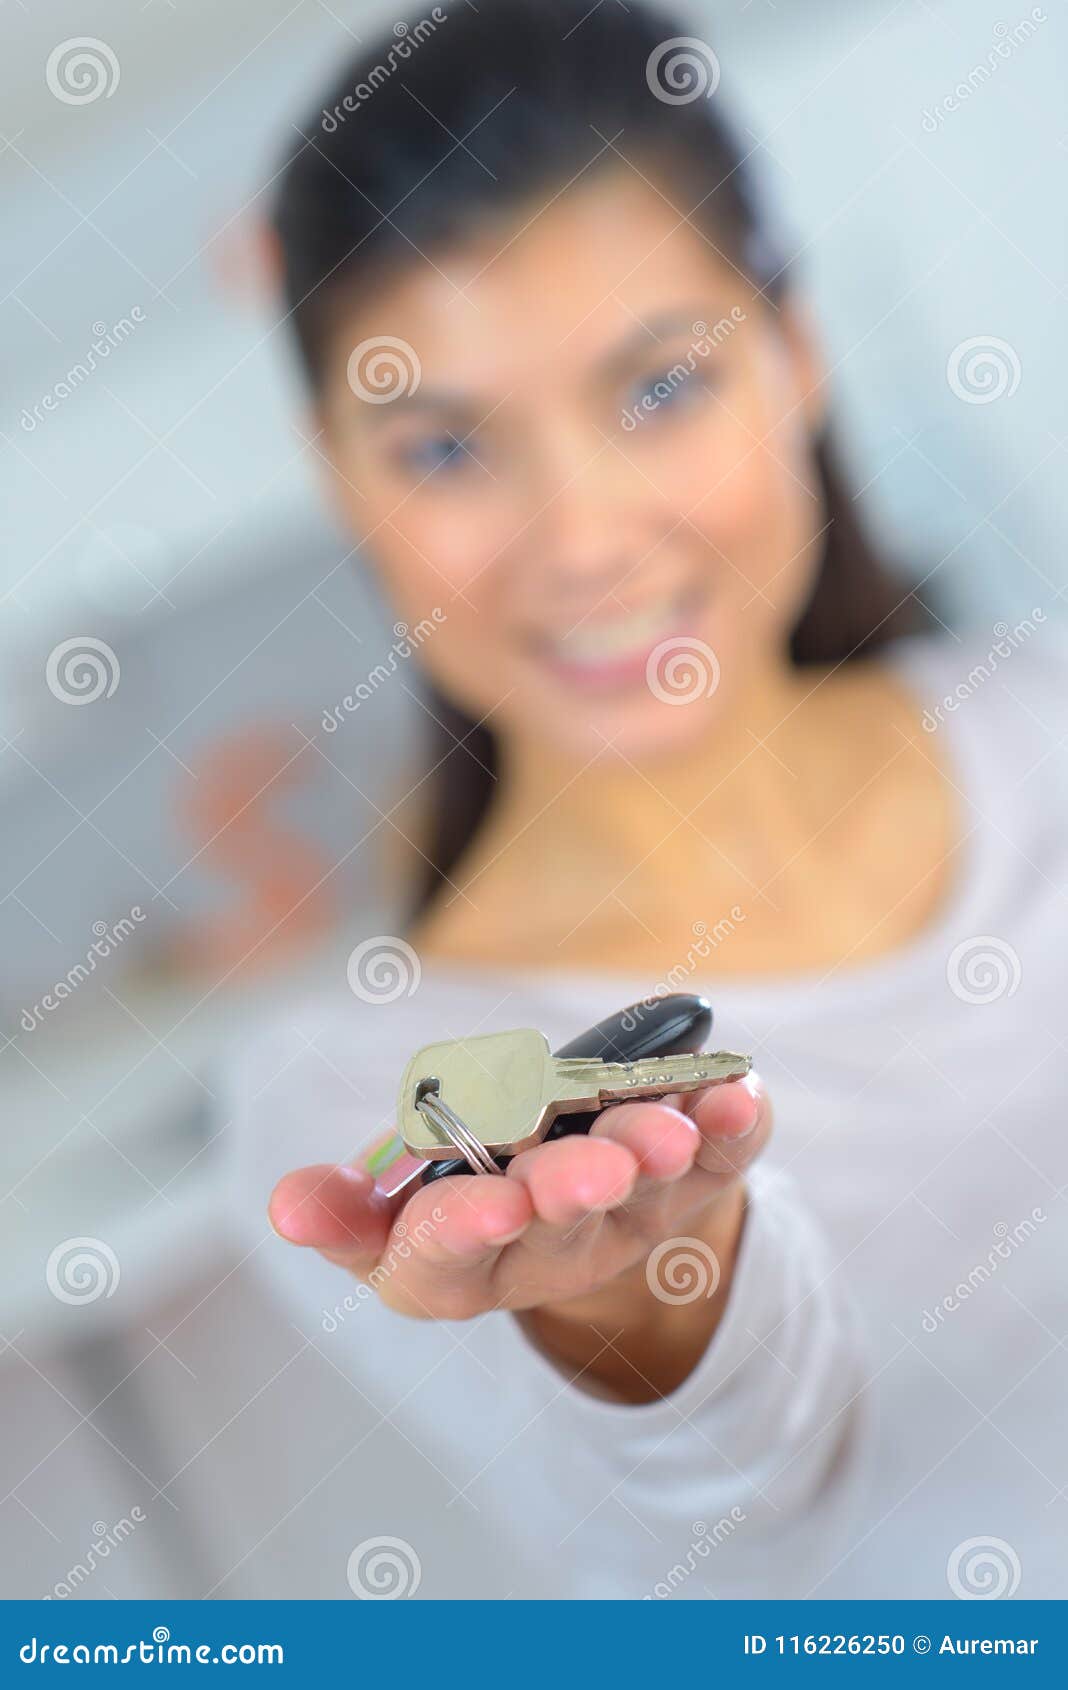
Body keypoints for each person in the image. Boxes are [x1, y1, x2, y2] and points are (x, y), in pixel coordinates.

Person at [230, 0, 1065, 1599]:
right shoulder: (341, 1090)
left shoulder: (1050, 713)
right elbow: (713, 1561)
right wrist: (641, 1323)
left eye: (660, 390)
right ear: (341, 477)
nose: (583, 538)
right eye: (447, 446)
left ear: (798, 355)